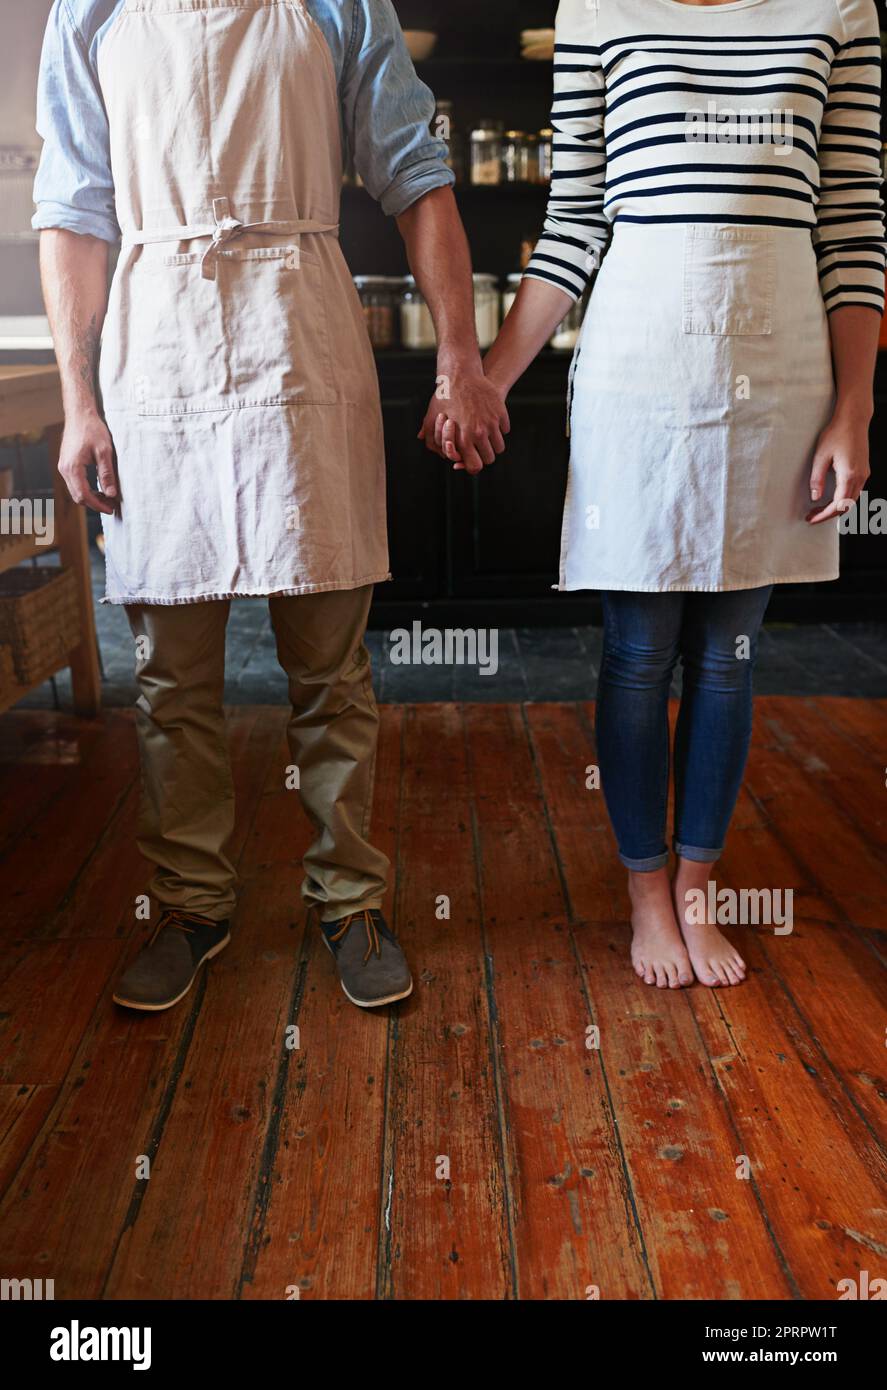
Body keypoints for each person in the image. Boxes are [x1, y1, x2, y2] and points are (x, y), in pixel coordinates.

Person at [33, 0, 509, 1012]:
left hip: (299, 336)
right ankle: (192, 904)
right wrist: (79, 402)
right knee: (170, 676)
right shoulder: (93, 10)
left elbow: (418, 179)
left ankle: (349, 898)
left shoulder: (339, 3)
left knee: (330, 668)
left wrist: (459, 359)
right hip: (157, 354)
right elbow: (74, 210)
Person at [430, 0, 885, 987]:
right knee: (637, 651)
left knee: (725, 655)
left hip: (778, 374)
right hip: (637, 376)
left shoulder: (835, 11)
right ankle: (645, 893)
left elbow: (850, 224)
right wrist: (483, 380)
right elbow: (572, 225)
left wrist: (852, 409)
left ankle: (695, 888)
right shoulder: (596, 12)